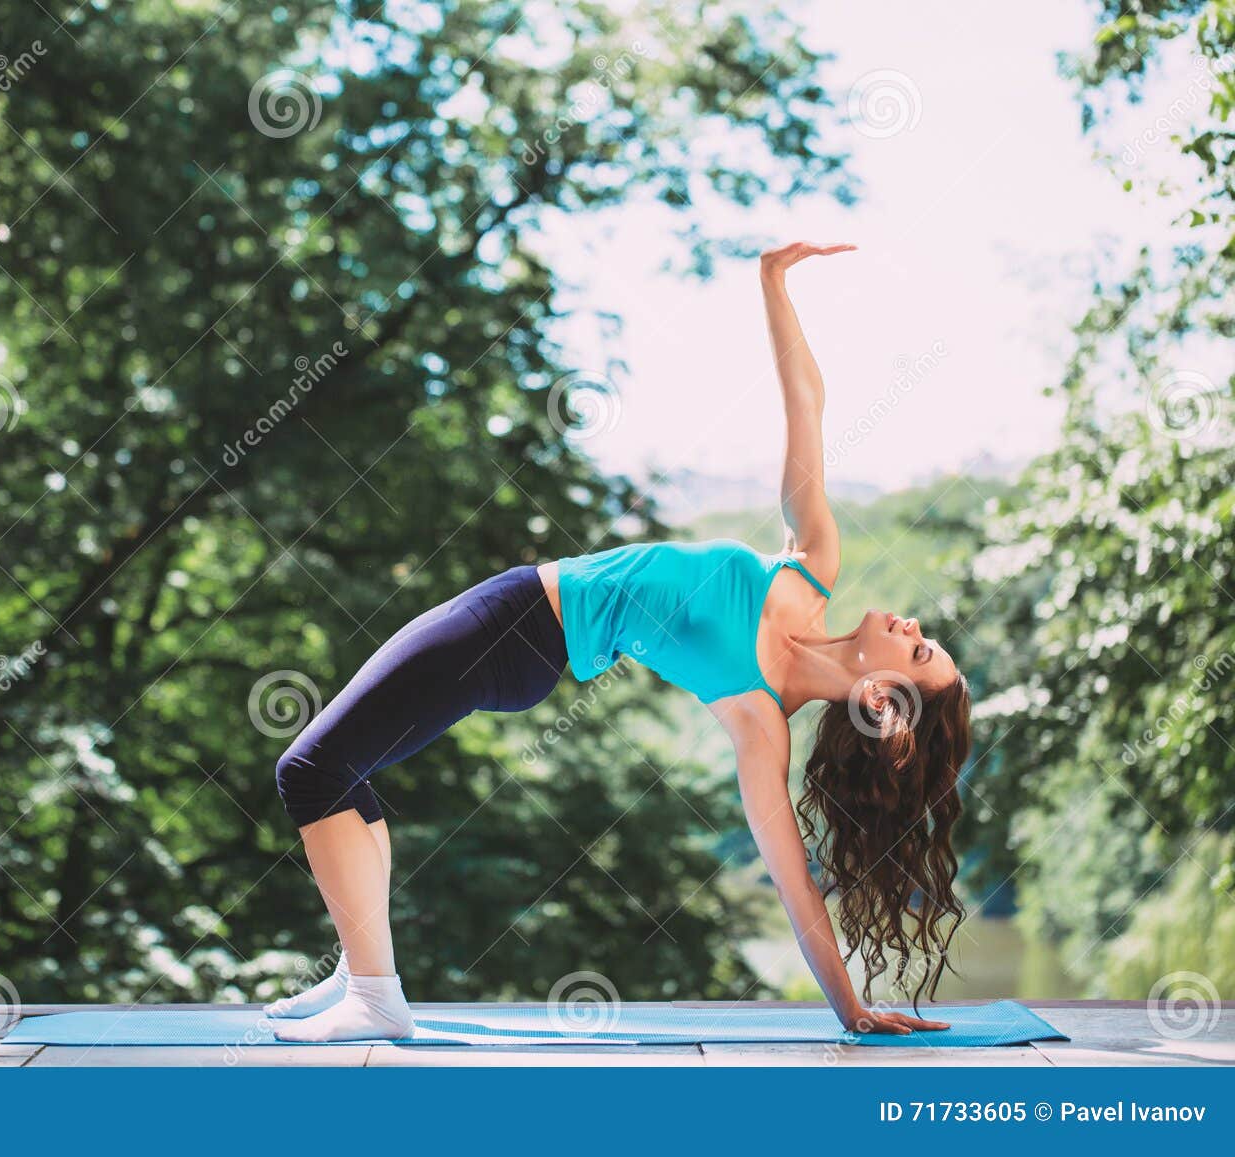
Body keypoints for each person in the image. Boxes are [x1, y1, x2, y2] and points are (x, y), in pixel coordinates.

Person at [265, 241, 971, 1042]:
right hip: (515, 610)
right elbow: (807, 402)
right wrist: (772, 279)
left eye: (919, 652)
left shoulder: (759, 721)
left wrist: (850, 1008)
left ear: (883, 698)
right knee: (349, 768)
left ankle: (375, 993)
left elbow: (794, 888)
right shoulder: (811, 569)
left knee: (310, 767)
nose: (913, 628)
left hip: (519, 635)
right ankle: (360, 968)